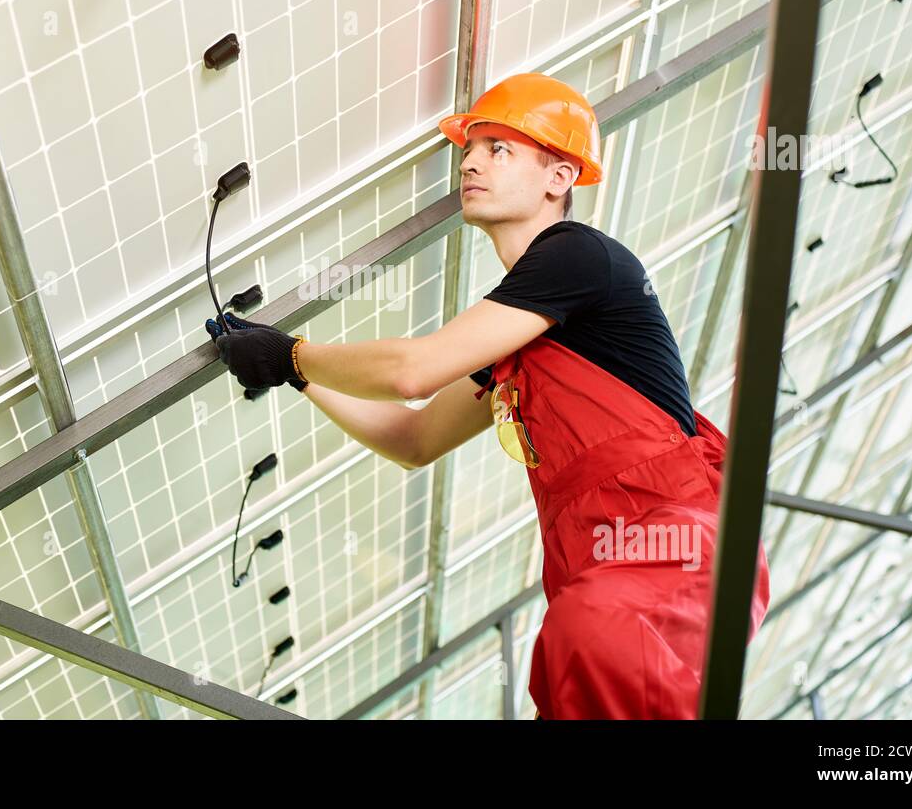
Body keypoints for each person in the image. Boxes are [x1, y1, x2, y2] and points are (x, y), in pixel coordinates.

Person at [207, 72, 770, 719]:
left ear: (560, 177)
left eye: (498, 148)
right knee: (570, 655)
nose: (470, 161)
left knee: (589, 636)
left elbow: (414, 370)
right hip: (597, 564)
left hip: (674, 541)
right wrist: (296, 375)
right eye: (470, 149)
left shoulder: (579, 256)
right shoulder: (513, 343)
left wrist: (293, 352)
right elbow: (414, 438)